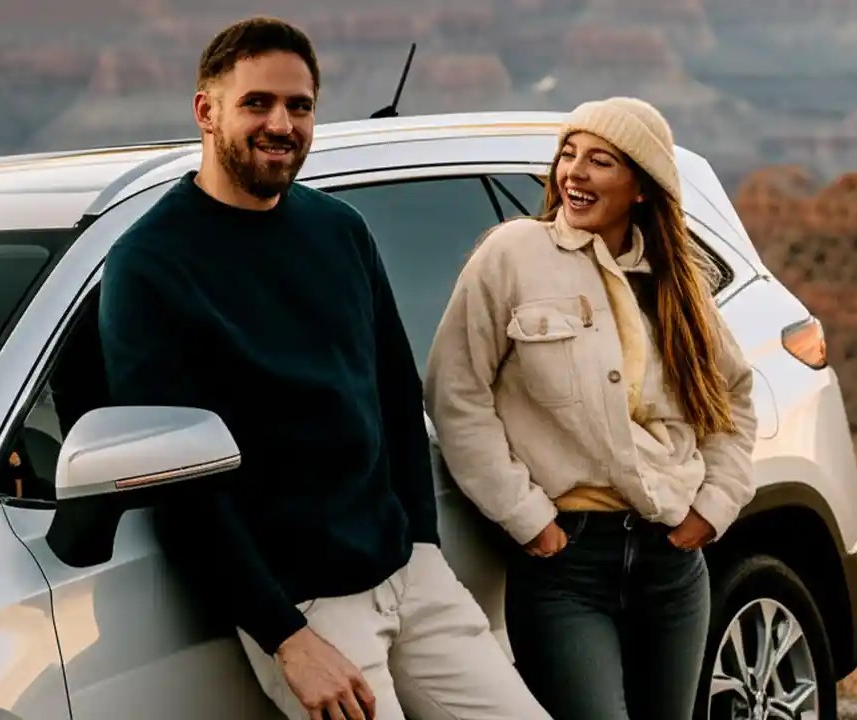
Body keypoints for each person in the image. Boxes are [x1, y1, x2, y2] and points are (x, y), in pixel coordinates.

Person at [98, 16, 551, 720]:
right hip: (307, 609)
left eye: (299, 106)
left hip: (409, 572)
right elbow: (176, 484)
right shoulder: (150, 265)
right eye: (257, 103)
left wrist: (422, 543)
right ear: (206, 110)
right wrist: (285, 635)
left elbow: (396, 397)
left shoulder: (340, 230)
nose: (281, 123)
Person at [424, 97, 758, 720]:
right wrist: (529, 519)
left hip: (673, 565)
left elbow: (732, 400)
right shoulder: (512, 255)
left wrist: (711, 511)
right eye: (568, 156)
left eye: (599, 161)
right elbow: (456, 394)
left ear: (640, 187)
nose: (574, 174)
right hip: (566, 566)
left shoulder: (676, 281)